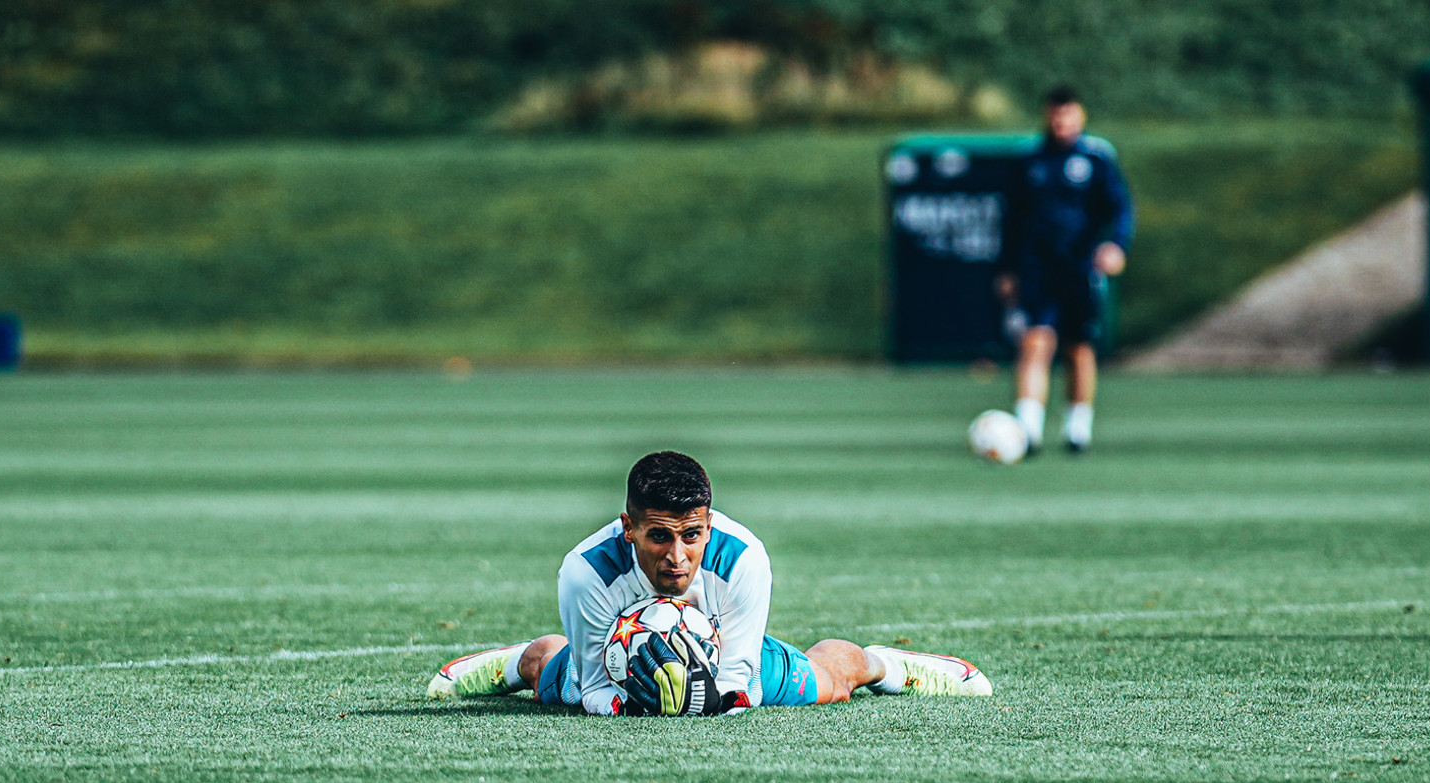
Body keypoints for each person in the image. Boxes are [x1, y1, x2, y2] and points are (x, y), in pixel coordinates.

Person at [427, 451, 992, 715]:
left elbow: (739, 682)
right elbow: (597, 688)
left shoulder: (745, 560)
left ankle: (893, 665)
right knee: (544, 668)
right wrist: (634, 702)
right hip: (611, 663)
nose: (678, 557)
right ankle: (508, 660)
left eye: (692, 536)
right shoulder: (585, 574)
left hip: (723, 657)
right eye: (659, 537)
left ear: (710, 524)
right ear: (628, 528)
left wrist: (687, 693)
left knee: (836, 678)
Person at [997, 85, 1134, 455]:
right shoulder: (1029, 160)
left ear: (1080, 116)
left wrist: (1115, 245)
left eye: (1068, 114)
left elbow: (1120, 209)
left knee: (1079, 347)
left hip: (1079, 266)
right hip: (1038, 266)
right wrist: (1007, 269)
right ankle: (1028, 431)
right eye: (1055, 115)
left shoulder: (1096, 158)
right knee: (1035, 342)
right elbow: (1011, 219)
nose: (1061, 122)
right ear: (1047, 116)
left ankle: (1078, 429)